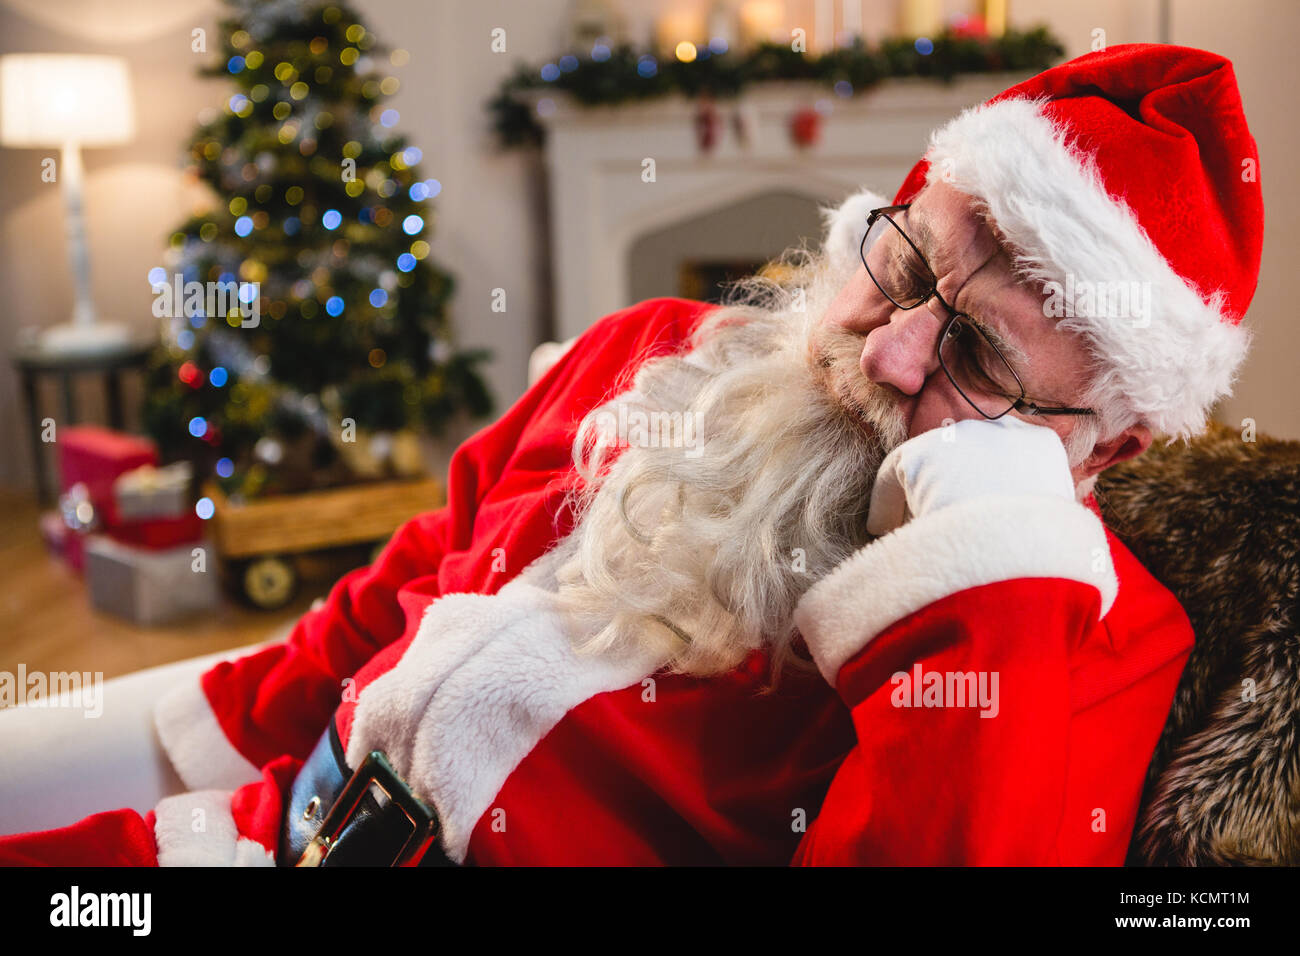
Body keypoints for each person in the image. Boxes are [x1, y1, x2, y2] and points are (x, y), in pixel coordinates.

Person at [0, 42, 1263, 866]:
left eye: (979, 359)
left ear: (1111, 443)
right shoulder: (657, 349)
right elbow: (404, 587)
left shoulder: (1076, 634)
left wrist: (983, 558)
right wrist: (191, 750)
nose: (886, 353)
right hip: (242, 838)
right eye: (904, 265)